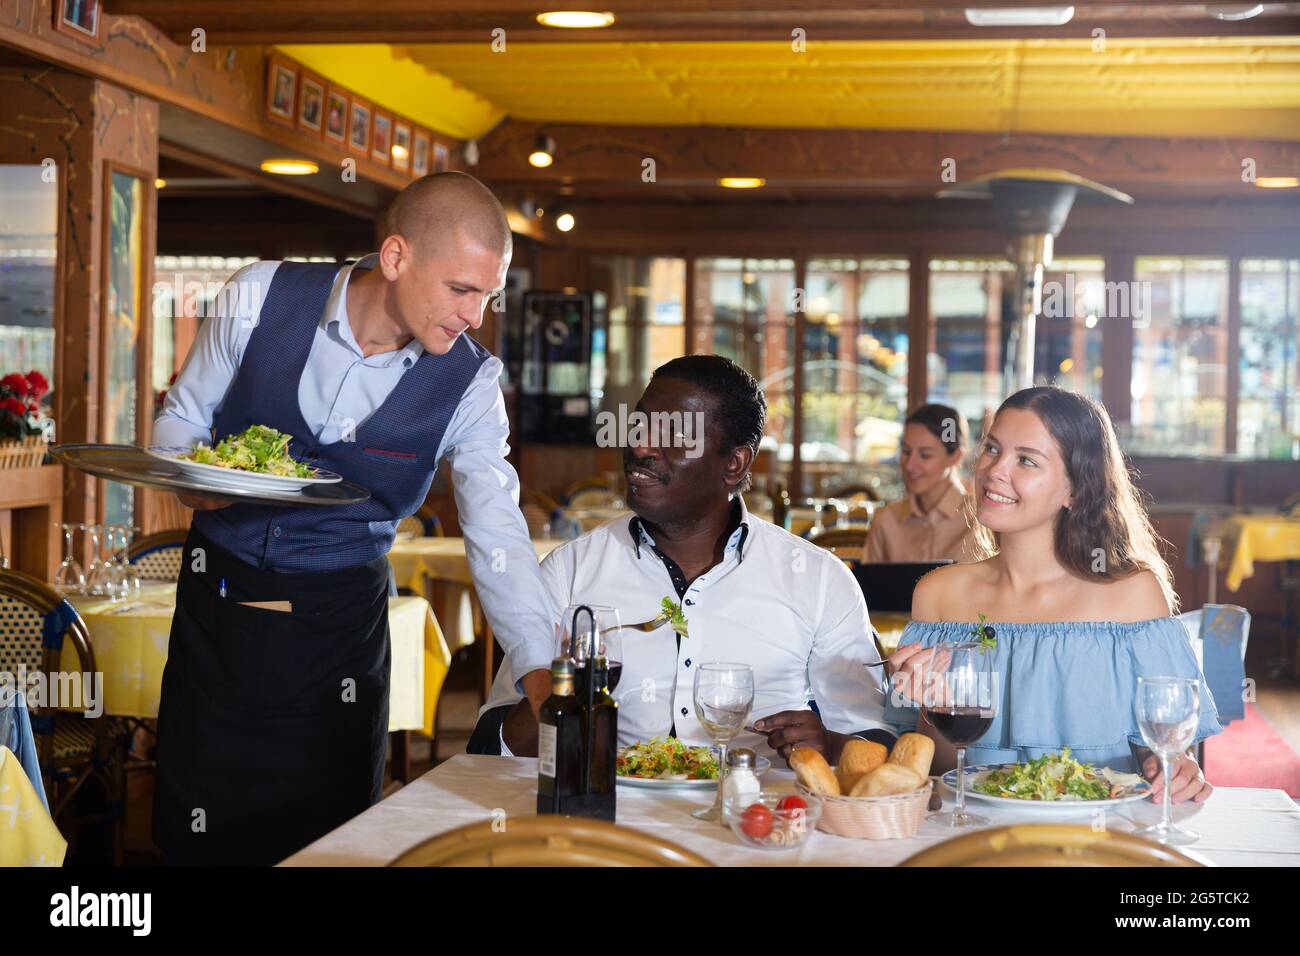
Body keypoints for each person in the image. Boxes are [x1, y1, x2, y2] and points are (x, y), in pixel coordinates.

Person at [150, 172, 558, 865]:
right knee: (200, 830)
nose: (476, 315)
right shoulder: (258, 294)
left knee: (331, 836)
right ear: (396, 257)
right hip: (220, 608)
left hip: (339, 625)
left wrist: (541, 669)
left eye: (489, 296)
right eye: (462, 290)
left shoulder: (471, 385)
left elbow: (497, 537)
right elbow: (182, 417)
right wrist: (195, 479)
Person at [469, 355, 894, 766]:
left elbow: (874, 737)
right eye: (639, 425)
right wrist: (557, 698)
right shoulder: (570, 572)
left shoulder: (818, 580)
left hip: (758, 823)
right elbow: (489, 747)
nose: (641, 446)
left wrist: (830, 745)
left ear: (734, 463)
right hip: (613, 821)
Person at [887, 386, 1219, 803]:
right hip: (976, 840)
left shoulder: (1132, 594)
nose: (994, 471)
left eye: (1026, 460)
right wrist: (931, 709)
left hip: (1099, 841)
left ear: (1075, 490)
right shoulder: (937, 595)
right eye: (992, 449)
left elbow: (1164, 749)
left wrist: (1168, 765)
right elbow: (938, 772)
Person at [862, 403, 981, 564]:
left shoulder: (981, 521)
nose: (909, 464)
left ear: (956, 456)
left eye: (925, 455)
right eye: (906, 451)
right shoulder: (886, 520)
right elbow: (867, 588)